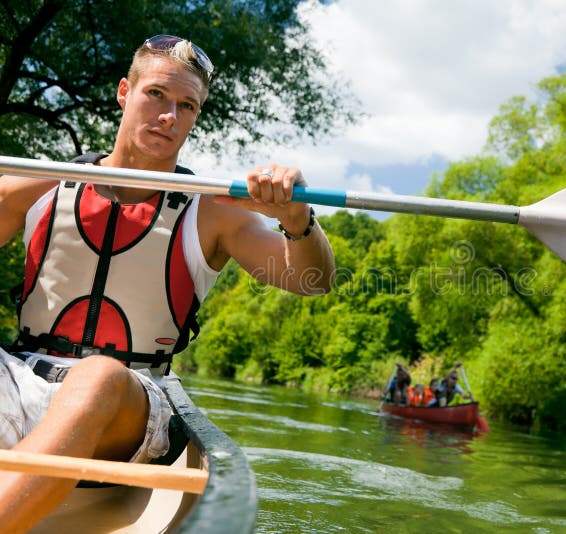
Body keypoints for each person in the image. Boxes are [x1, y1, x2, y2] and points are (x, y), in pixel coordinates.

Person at [0, 34, 335, 532]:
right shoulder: (38, 183)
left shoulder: (213, 213)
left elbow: (312, 280)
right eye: (156, 94)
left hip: (130, 402)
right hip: (20, 376)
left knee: (99, 375)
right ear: (123, 92)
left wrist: (298, 220)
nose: (169, 117)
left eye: (186, 106)